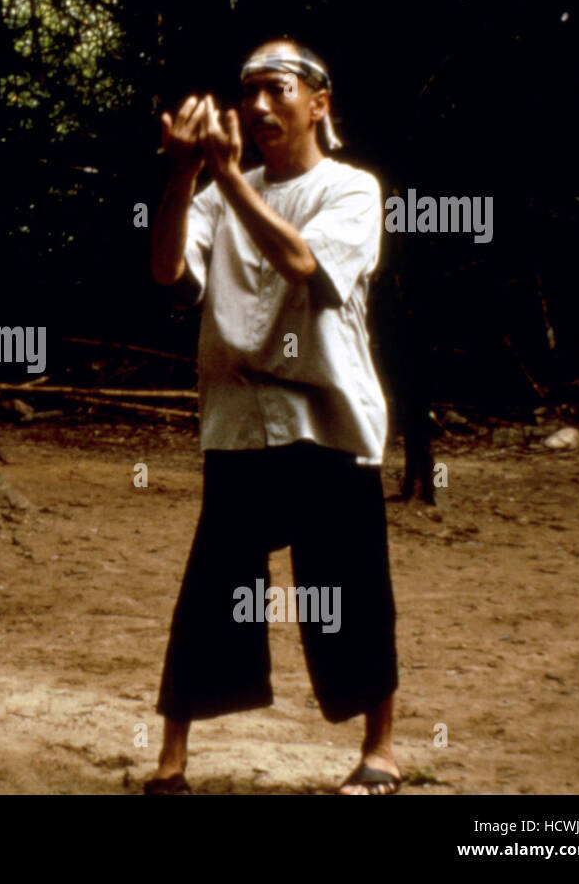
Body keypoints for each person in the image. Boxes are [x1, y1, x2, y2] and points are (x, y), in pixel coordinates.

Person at [145, 38, 400, 795]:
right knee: (211, 588)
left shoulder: (351, 189)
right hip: (238, 419)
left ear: (318, 103)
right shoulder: (219, 190)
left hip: (327, 419)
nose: (258, 105)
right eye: (248, 92)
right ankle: (172, 759)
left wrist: (224, 176)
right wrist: (187, 169)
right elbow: (166, 270)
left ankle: (381, 749)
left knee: (352, 585)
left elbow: (300, 262)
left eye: (277, 90)